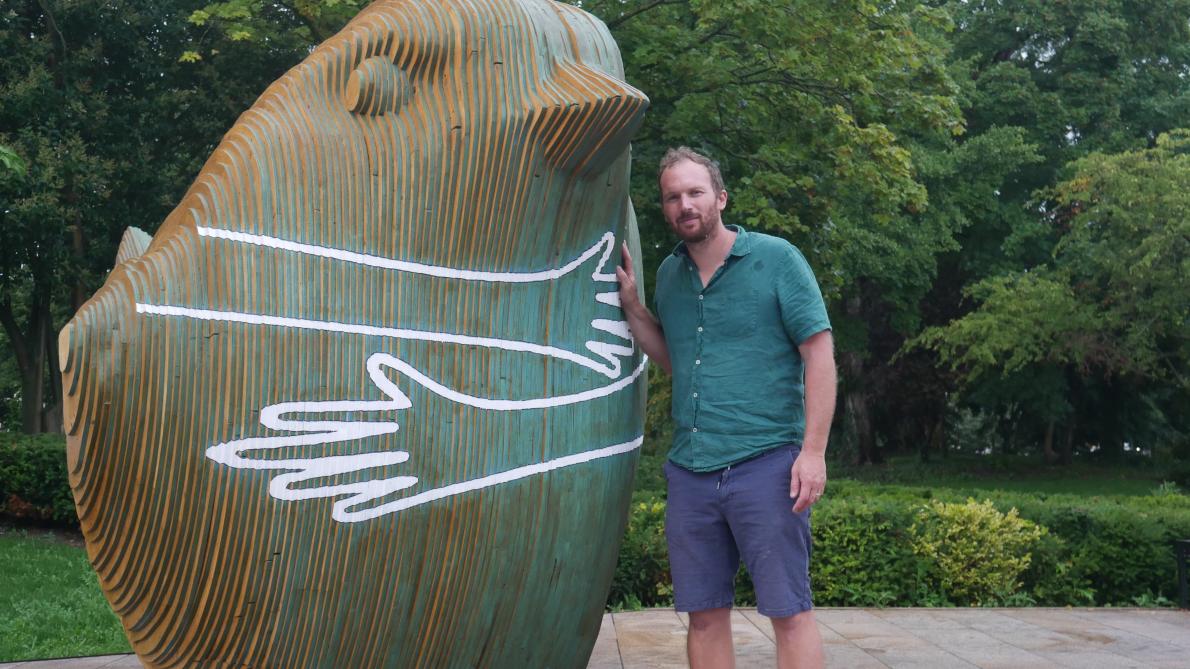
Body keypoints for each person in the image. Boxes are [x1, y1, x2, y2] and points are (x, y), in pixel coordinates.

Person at [617, 147, 836, 669]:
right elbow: (676, 360)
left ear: (720, 197)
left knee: (789, 611)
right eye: (673, 197)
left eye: (694, 192)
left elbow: (820, 354)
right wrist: (632, 308)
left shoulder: (777, 259)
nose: (684, 205)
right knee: (704, 616)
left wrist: (814, 452)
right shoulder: (670, 275)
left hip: (767, 466)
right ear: (665, 208)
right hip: (691, 472)